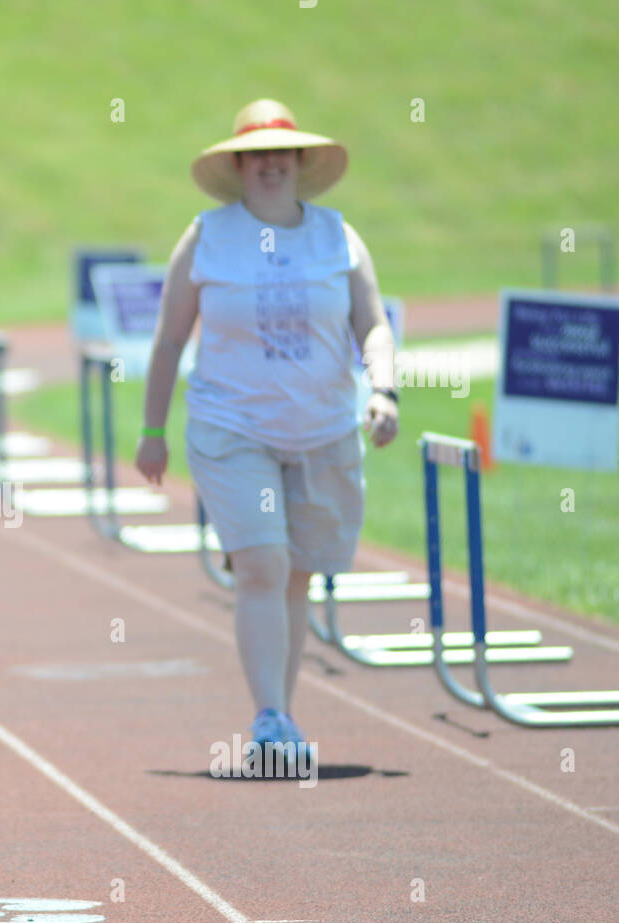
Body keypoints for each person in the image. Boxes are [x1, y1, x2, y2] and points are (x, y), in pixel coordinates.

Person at [135, 99, 399, 765]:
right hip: (232, 428)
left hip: (323, 428)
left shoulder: (338, 235)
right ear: (239, 165)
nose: (272, 165)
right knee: (263, 563)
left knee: (297, 576)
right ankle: (270, 717)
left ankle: (280, 721)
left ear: (301, 162)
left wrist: (384, 389)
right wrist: (152, 429)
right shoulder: (206, 237)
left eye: (284, 153)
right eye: (257, 154)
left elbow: (372, 324)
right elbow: (169, 341)